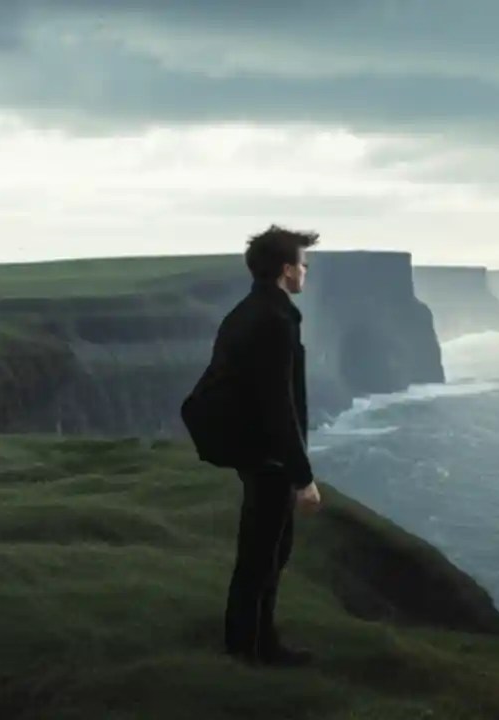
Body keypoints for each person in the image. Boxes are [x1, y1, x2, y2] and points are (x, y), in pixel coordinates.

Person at [182, 224, 323, 667]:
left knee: (267, 551)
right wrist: (302, 477)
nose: (306, 272)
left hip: (254, 447)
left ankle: (255, 642)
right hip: (266, 454)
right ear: (287, 270)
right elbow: (278, 403)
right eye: (303, 264)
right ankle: (250, 647)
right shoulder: (274, 321)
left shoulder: (247, 313)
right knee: (263, 553)